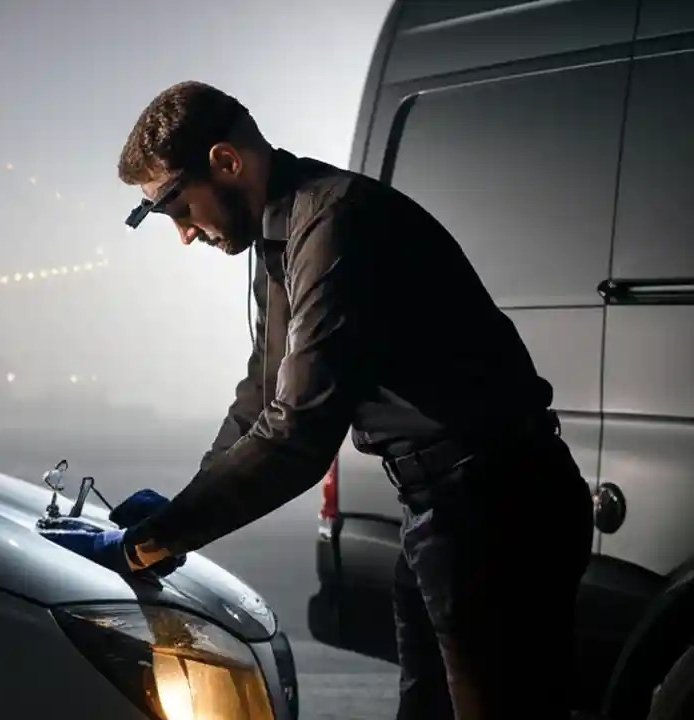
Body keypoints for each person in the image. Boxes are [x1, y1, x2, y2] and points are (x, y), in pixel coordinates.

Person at [40, 81, 594, 720]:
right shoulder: (285, 234)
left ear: (226, 162)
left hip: (499, 513)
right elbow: (263, 395)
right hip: (451, 510)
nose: (184, 235)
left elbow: (298, 433)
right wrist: (187, 501)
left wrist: (154, 541)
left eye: (174, 208)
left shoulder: (335, 224)